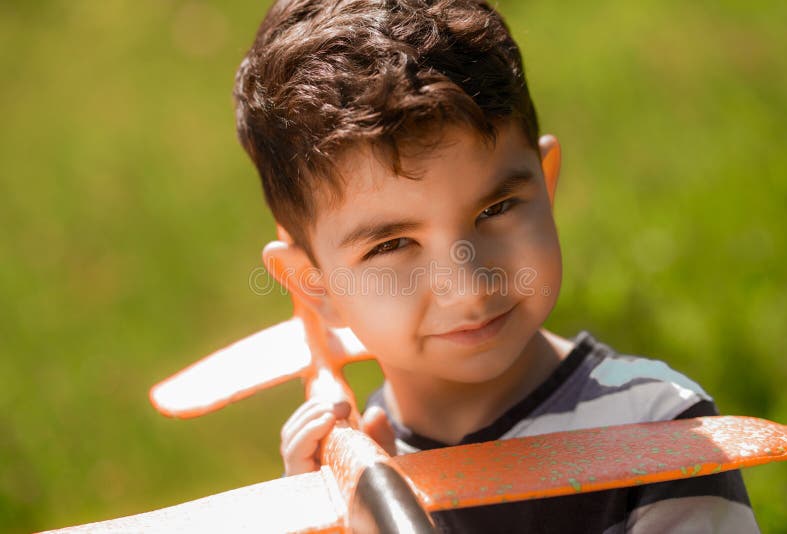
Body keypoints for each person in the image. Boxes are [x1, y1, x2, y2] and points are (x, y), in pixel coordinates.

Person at [232, 0, 759, 531]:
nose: (468, 288)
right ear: (314, 285)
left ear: (546, 184)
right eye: (391, 245)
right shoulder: (346, 476)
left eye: (498, 208)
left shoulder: (660, 431)